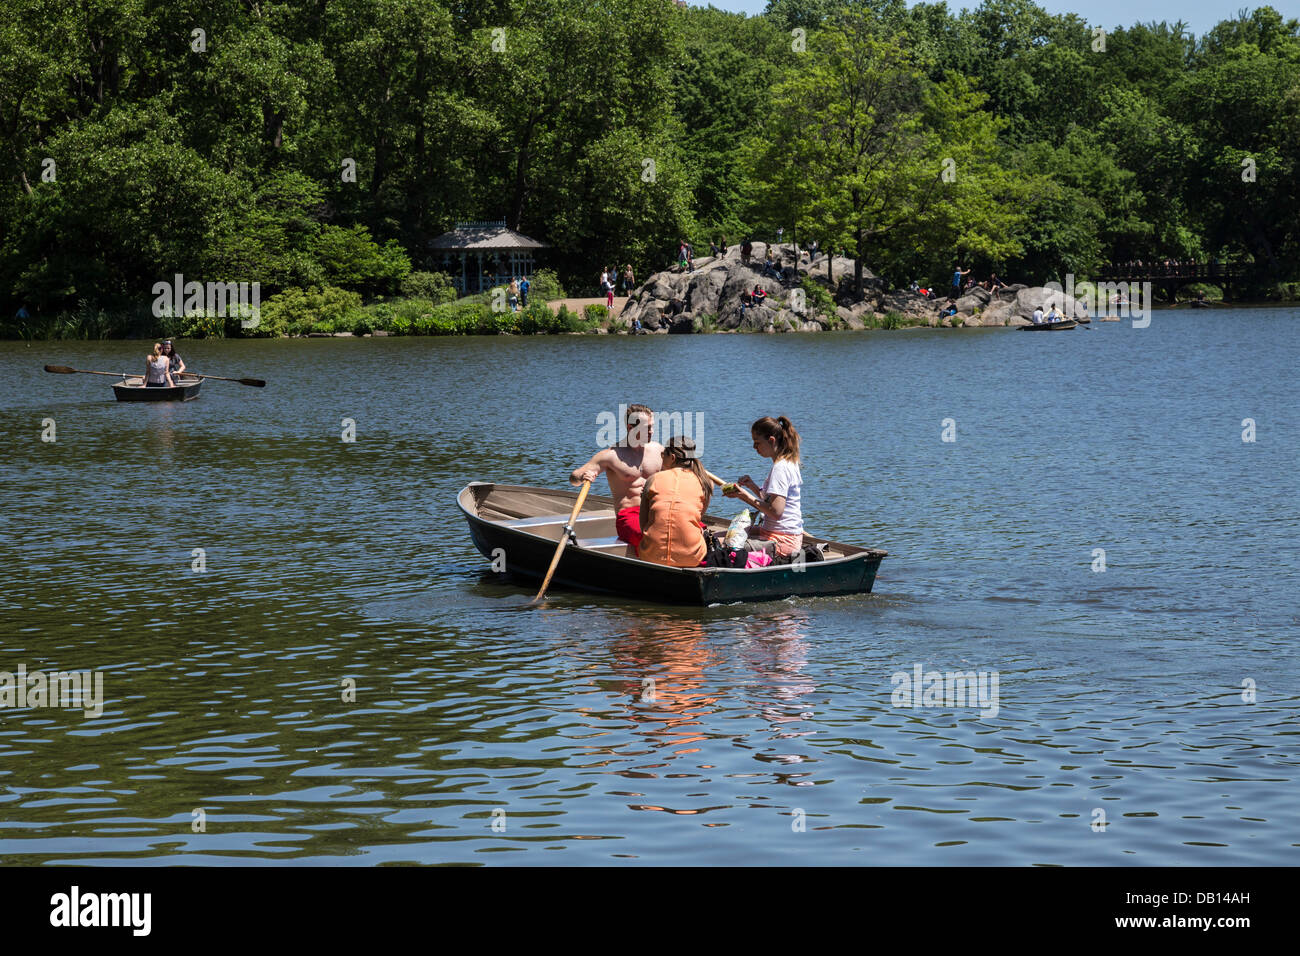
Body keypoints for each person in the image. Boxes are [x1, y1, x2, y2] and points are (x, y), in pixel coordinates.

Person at [570, 404, 663, 552]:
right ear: (630, 428)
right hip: (629, 515)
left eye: (652, 427)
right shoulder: (610, 456)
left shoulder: (658, 450)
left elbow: (680, 471)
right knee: (653, 537)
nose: (651, 432)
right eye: (646, 428)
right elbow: (574, 478)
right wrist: (582, 476)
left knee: (692, 533)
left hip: (656, 511)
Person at [723, 416, 804, 560]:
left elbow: (776, 512)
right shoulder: (788, 462)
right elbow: (770, 501)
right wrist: (752, 486)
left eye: (757, 443)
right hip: (780, 535)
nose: (754, 447)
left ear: (771, 440)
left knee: (720, 544)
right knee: (721, 535)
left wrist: (744, 495)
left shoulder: (780, 468)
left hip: (782, 541)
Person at [638, 435, 712, 567]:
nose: (661, 458)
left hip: (651, 555)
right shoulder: (706, 483)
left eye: (662, 455)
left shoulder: (653, 479)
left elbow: (643, 524)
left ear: (672, 458)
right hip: (691, 558)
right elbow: (698, 518)